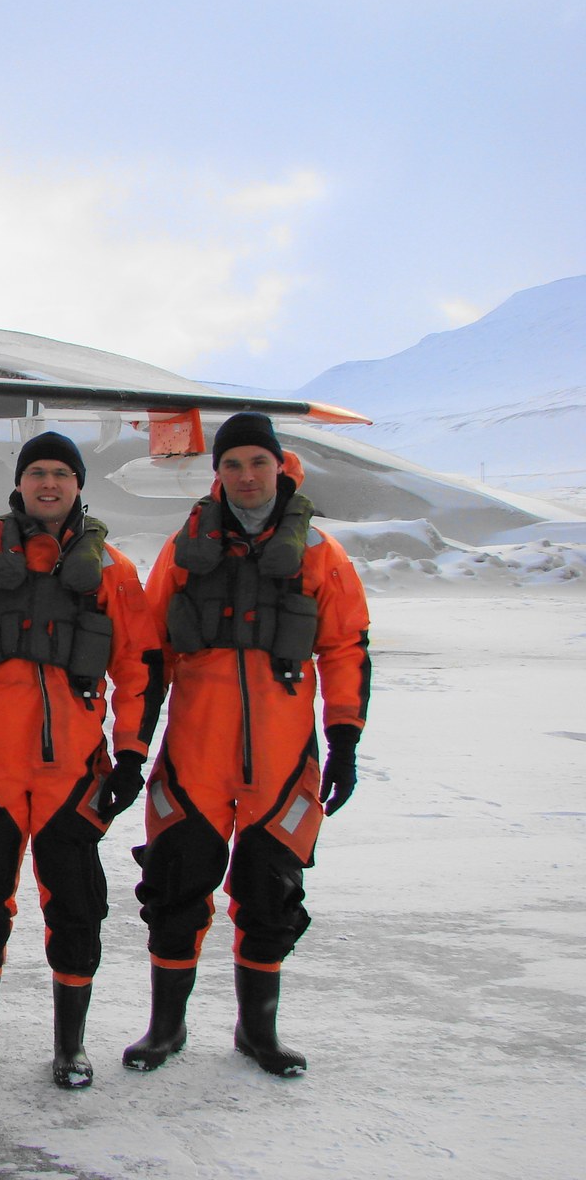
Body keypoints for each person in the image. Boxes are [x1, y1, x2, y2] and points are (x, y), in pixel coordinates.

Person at [122, 412, 371, 1077]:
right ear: (217, 473)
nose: (245, 476)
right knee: (174, 888)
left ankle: (257, 1032)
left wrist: (344, 740)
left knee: (270, 894)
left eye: (257, 462)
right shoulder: (184, 549)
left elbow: (347, 648)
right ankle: (165, 1028)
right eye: (232, 465)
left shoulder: (319, 552)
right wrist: (133, 745)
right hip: (194, 756)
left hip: (283, 761)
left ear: (279, 466)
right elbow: (152, 654)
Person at [0, 431, 163, 1088]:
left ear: (79, 486)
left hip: (73, 775)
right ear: (19, 485)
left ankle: (71, 1047)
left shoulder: (113, 571)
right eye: (37, 474)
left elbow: (139, 671)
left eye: (61, 474)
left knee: (77, 907)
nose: (48, 485)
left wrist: (134, 754)